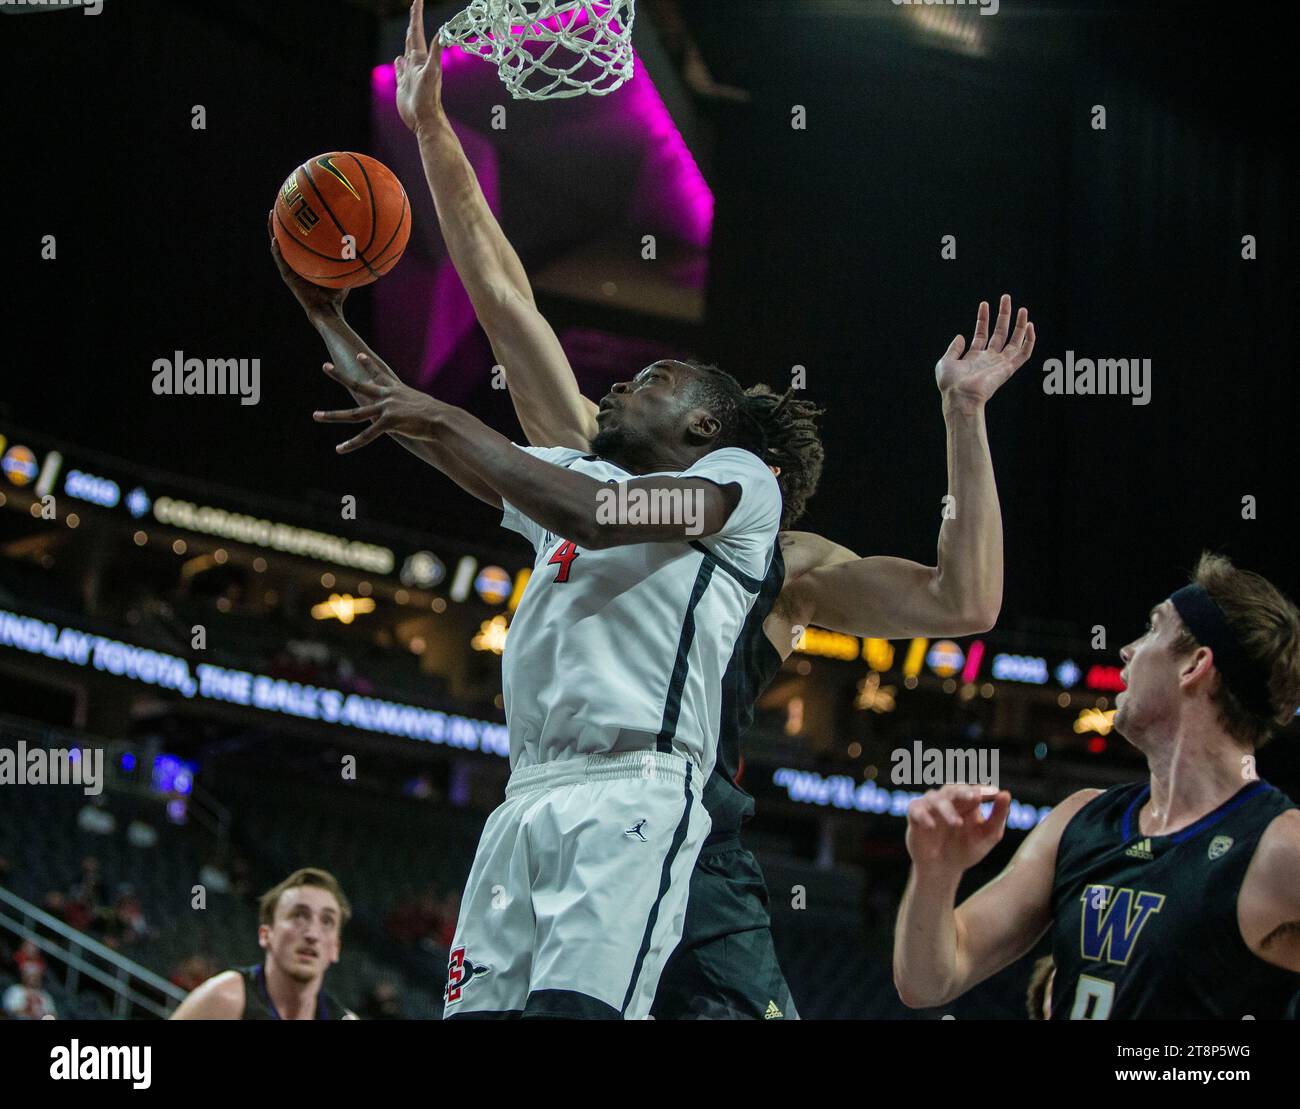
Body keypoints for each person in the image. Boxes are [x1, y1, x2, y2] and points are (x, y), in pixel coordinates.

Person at [334, 0, 1033, 1020]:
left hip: (682, 827)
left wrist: (963, 412)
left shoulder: (776, 552)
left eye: (658, 379)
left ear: (712, 432)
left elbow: (963, 598)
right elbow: (502, 297)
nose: (624, 386)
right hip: (555, 800)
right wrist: (434, 130)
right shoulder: (582, 466)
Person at [894, 554, 1300, 1019]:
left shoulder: (1278, 844)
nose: (1127, 649)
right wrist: (935, 872)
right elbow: (929, 980)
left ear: (1194, 665)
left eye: (1153, 628)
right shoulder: (1081, 819)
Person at [170, 868, 356, 1020]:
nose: (312, 934)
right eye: (299, 915)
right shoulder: (224, 999)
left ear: (335, 948)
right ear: (266, 934)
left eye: (327, 921)